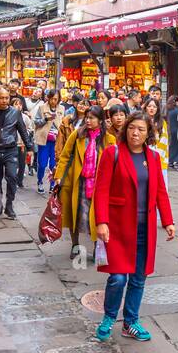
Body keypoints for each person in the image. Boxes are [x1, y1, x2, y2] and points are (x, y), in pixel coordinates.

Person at [90, 111, 175, 342]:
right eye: (132, 128)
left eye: (141, 129)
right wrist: (102, 221)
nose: (135, 133)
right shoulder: (113, 153)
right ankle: (109, 317)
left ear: (148, 134)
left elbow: (160, 192)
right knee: (117, 278)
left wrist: (167, 221)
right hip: (117, 227)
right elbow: (102, 190)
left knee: (138, 278)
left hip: (144, 229)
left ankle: (130, 322)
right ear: (125, 129)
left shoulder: (154, 158)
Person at [53, 106, 115, 261]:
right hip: (77, 182)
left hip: (98, 184)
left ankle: (96, 247)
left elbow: (115, 163)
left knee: (96, 217)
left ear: (100, 120)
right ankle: (75, 245)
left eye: (92, 118)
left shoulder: (109, 139)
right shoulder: (77, 134)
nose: (88, 120)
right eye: (87, 117)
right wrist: (58, 176)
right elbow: (65, 156)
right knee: (75, 215)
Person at [0, 85, 36, 218]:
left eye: (7, 98)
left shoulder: (15, 113)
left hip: (11, 150)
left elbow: (23, 131)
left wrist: (30, 148)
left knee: (12, 177)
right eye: (2, 98)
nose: (5, 100)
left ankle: (9, 205)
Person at [33, 90, 62, 195]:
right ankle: (40, 181)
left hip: (57, 141)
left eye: (56, 99)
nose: (54, 101)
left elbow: (64, 123)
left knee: (54, 165)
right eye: (52, 98)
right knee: (42, 164)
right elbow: (36, 122)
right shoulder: (42, 108)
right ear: (48, 98)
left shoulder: (62, 109)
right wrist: (46, 119)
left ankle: (52, 184)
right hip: (44, 140)